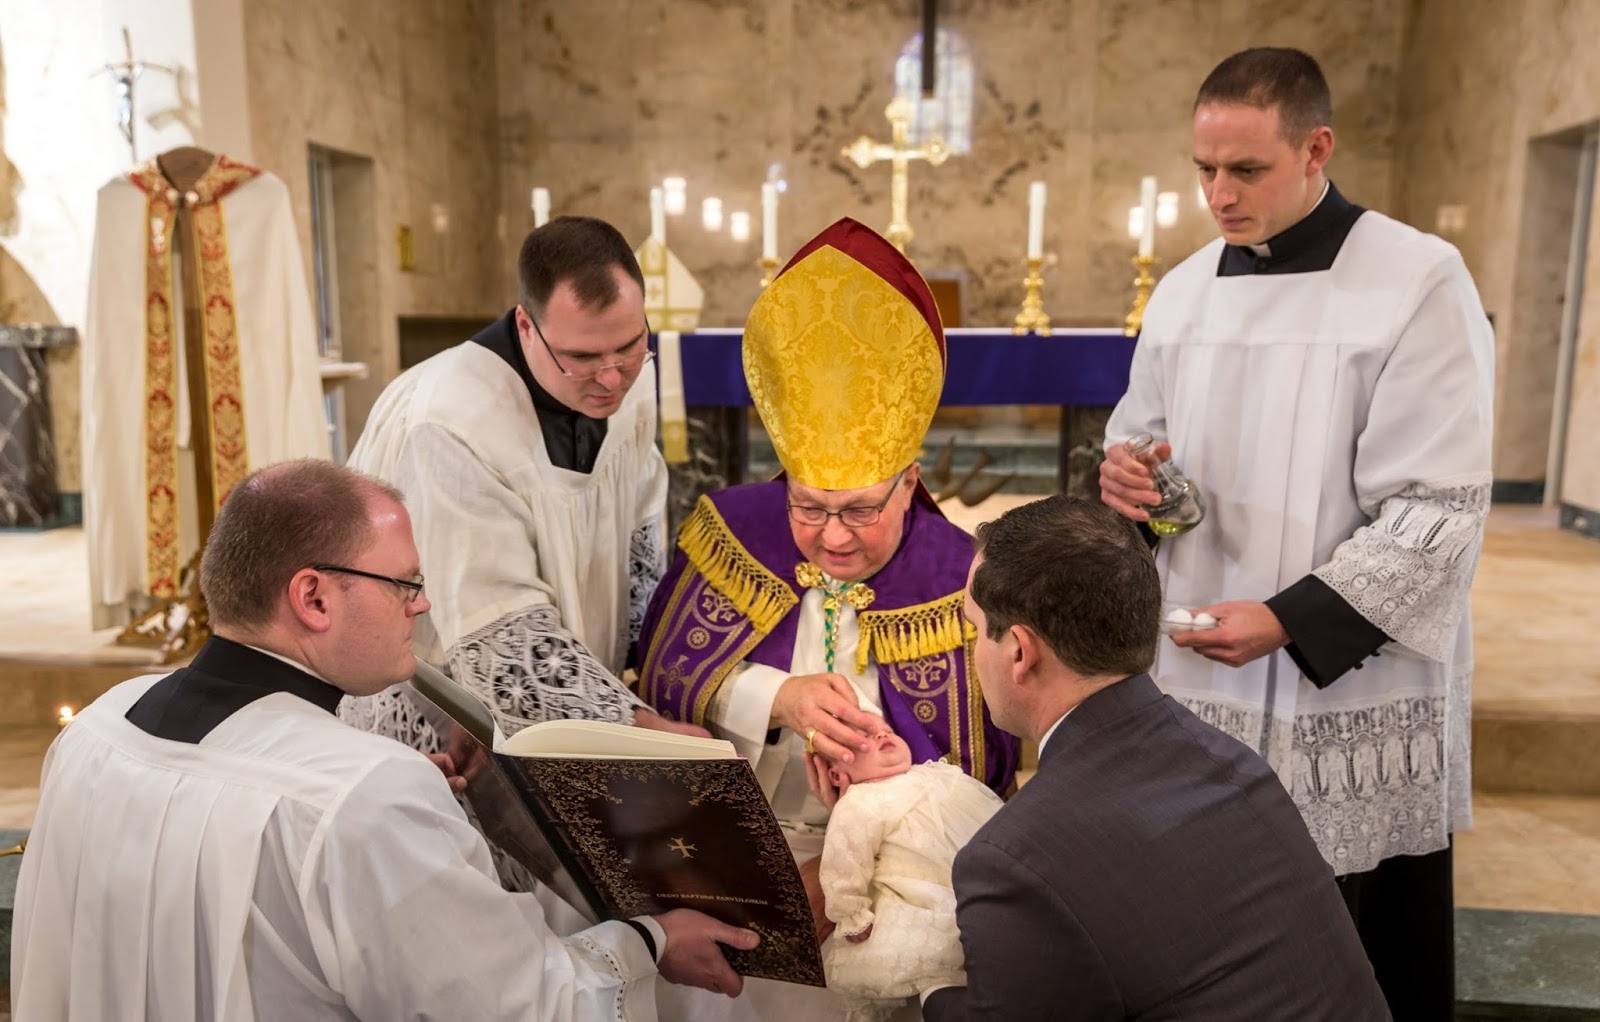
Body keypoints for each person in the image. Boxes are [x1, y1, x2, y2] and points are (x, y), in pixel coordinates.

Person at [10, 460, 757, 1020]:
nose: (423, 604)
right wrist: (652, 944)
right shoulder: (364, 796)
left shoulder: (102, 727)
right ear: (313, 596)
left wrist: (392, 819)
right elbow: (520, 1006)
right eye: (403, 583)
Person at [1100, 47, 1493, 1020]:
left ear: (1316, 148)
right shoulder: (1184, 290)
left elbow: (1437, 507)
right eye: (1203, 170)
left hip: (1343, 675)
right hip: (1196, 658)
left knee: (1346, 949)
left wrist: (1288, 618)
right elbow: (1154, 458)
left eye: (1245, 170)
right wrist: (1137, 485)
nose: (1216, 194)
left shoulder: (1414, 279)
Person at [636, 217, 1020, 1019]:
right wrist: (774, 698)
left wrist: (881, 782)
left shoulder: (963, 580)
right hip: (730, 848)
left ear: (910, 482)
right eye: (808, 506)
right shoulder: (733, 532)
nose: (831, 536)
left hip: (889, 879)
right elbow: (658, 676)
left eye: (858, 510)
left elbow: (986, 763)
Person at [915, 495, 1388, 1021]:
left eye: (974, 628)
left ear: (1020, 652)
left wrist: (926, 986)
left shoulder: (1014, 862)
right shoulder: (1232, 761)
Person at [341, 215, 692, 760]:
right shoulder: (453, 421)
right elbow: (499, 635)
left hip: (590, 691)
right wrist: (638, 726)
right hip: (452, 717)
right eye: (580, 358)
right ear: (526, 326)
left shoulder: (629, 378)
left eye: (628, 346)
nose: (611, 378)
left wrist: (654, 669)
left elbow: (639, 539)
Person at [816, 732, 1002, 1022]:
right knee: (936, 973)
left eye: (885, 729)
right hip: (919, 899)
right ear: (836, 774)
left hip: (980, 884)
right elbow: (844, 861)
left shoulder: (935, 773)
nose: (881, 733)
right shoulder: (860, 802)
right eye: (861, 738)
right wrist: (851, 912)